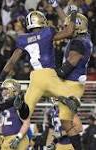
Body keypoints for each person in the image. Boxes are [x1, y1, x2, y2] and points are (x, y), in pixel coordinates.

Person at [0, 9, 92, 150]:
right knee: (65, 93)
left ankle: (20, 103)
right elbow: (69, 31)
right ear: (41, 20)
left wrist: (0, 80)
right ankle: (68, 98)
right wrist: (72, 13)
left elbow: (11, 62)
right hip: (49, 74)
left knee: (26, 111)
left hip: (35, 77)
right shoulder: (48, 32)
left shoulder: (22, 39)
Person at [46, 1, 93, 149]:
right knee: (65, 121)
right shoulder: (82, 38)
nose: (66, 28)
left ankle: (71, 99)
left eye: (71, 26)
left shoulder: (78, 42)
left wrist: (57, 74)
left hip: (70, 81)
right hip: (74, 80)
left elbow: (70, 64)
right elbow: (69, 24)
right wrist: (56, 6)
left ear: (77, 27)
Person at [0, 79, 30, 150]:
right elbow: (4, 122)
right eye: (3, 90)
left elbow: (26, 123)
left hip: (16, 138)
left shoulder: (19, 104)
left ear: (12, 90)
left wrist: (18, 138)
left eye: (5, 89)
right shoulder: (5, 104)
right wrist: (0, 133)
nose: (3, 92)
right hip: (6, 139)